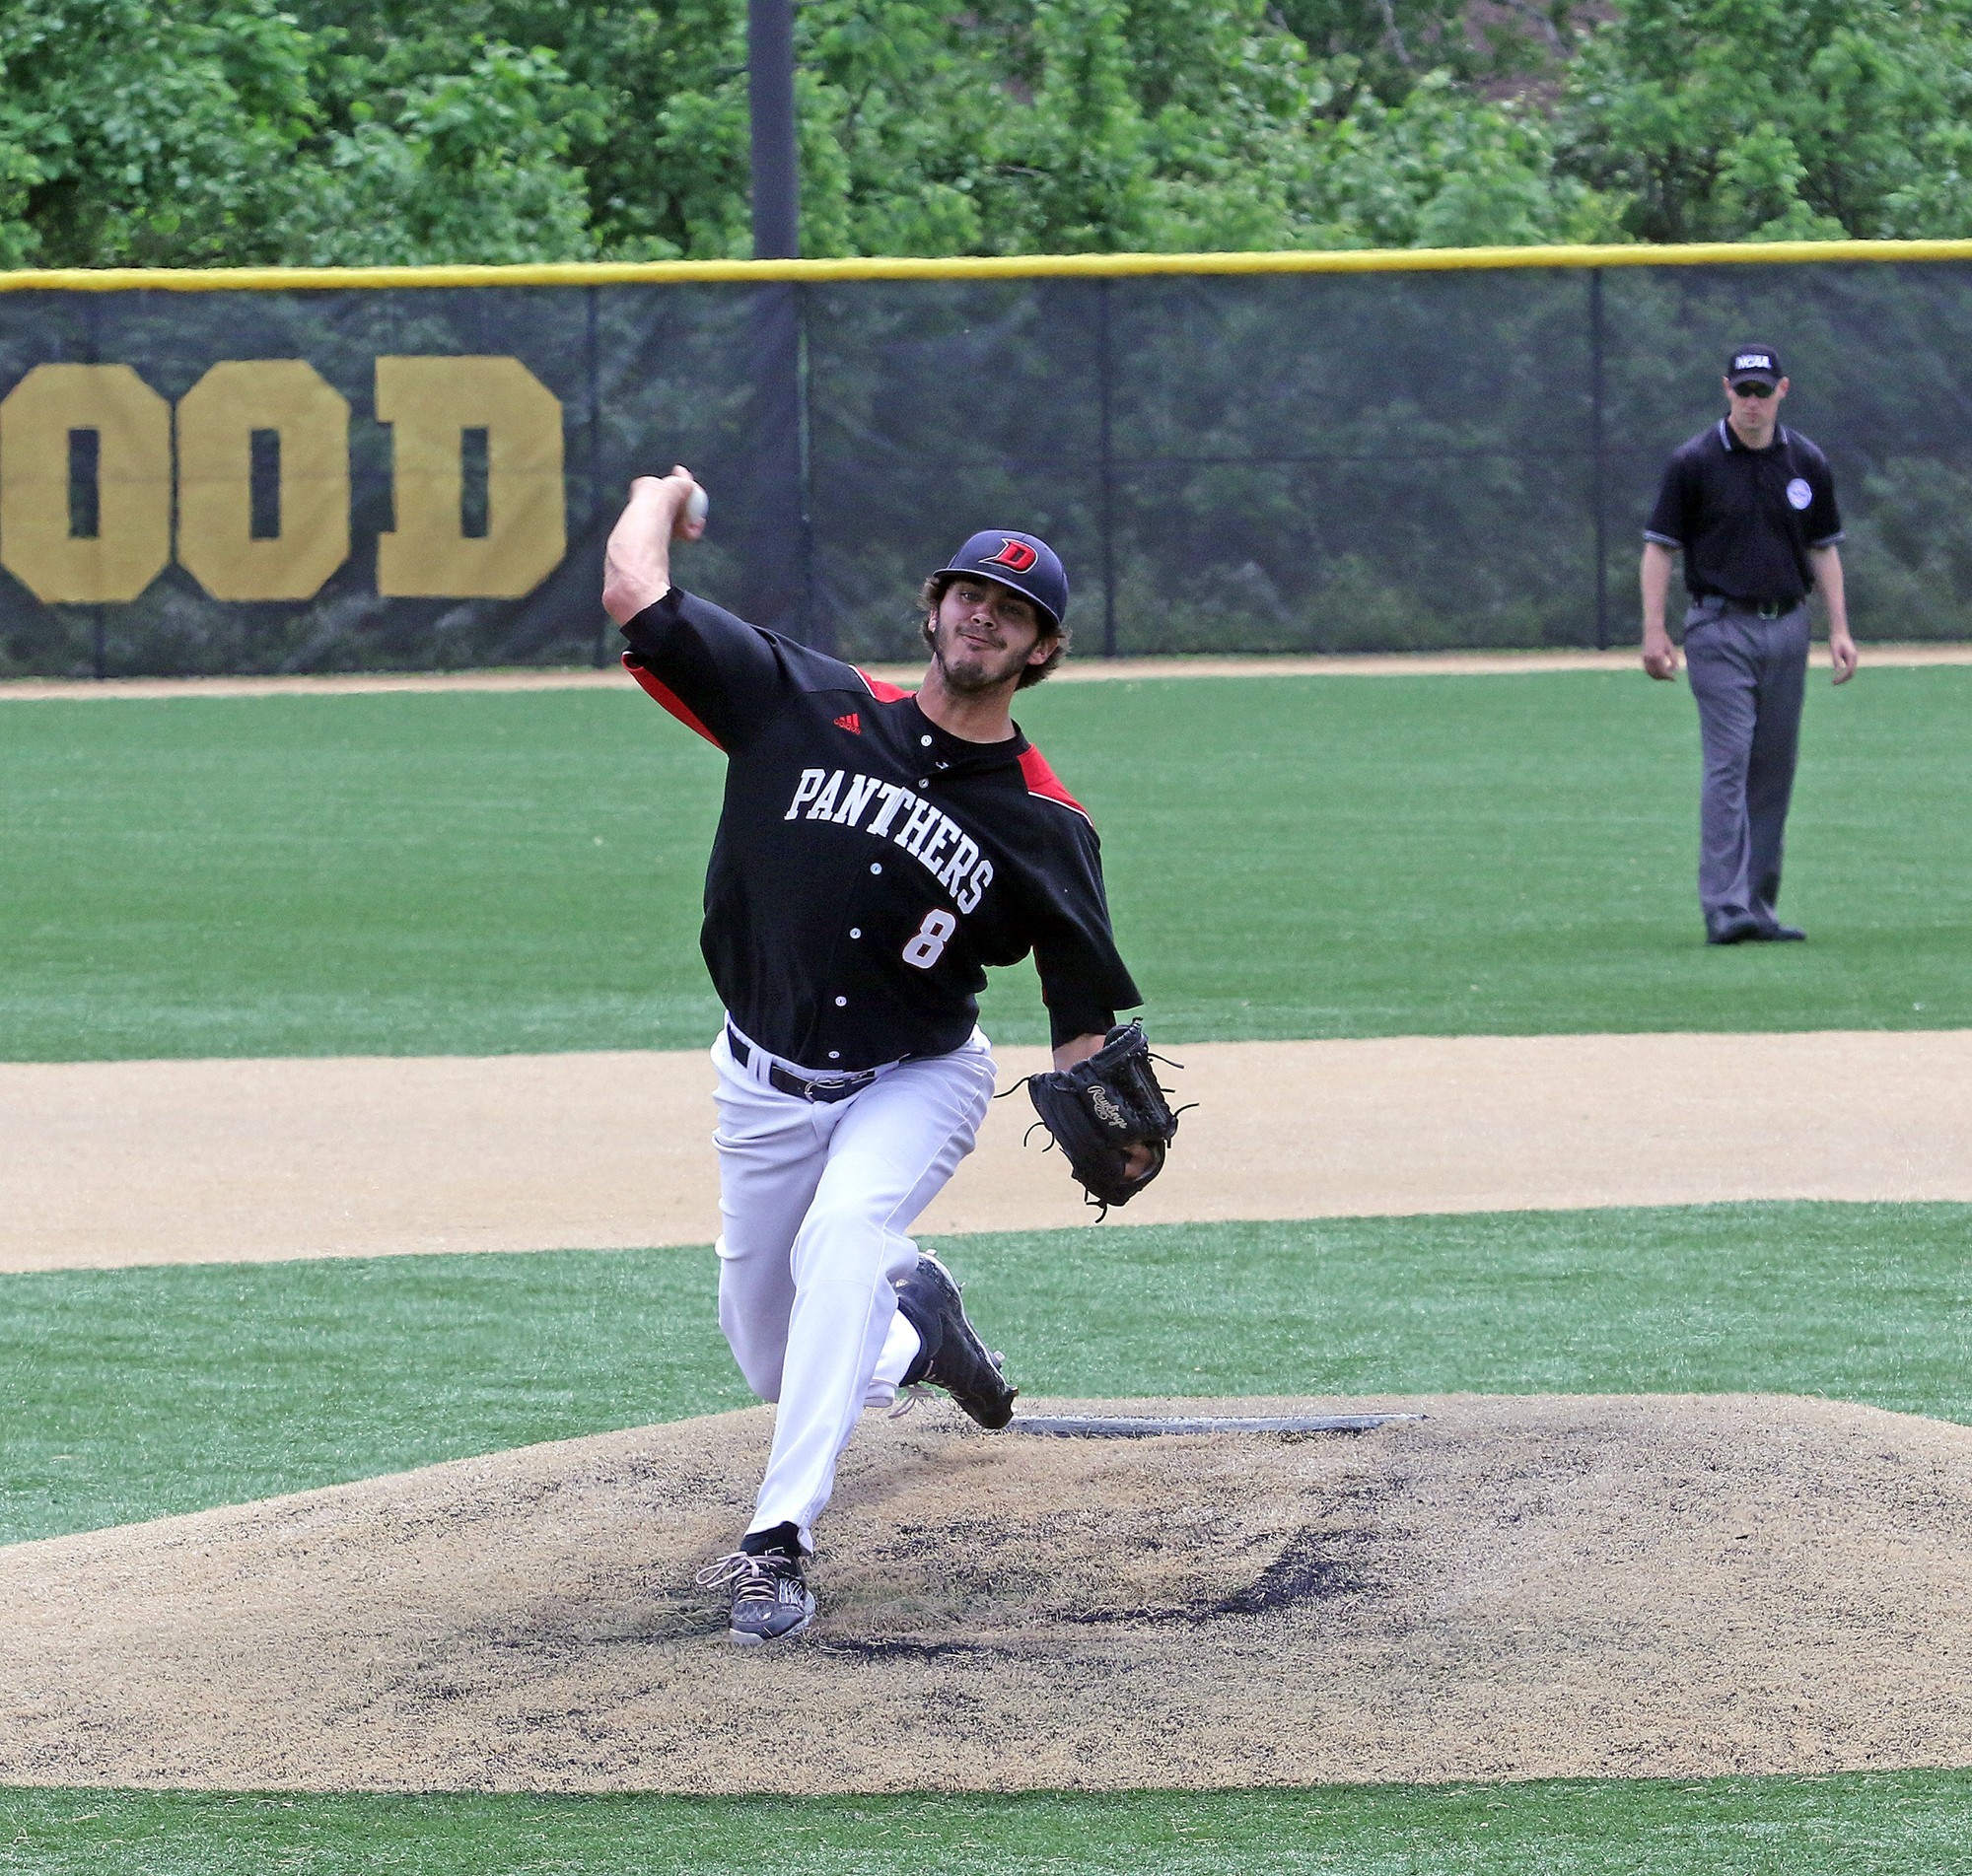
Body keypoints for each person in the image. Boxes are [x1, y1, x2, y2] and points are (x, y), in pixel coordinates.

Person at [599, 468, 1145, 1645]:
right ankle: (920, 1330)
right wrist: (663, 490)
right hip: (758, 1081)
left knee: (842, 1241)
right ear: (931, 606)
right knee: (775, 1357)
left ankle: (776, 1543)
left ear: (1041, 648)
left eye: (1011, 609)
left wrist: (1120, 1114)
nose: (981, 616)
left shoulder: (1044, 824)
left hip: (916, 1077)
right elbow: (635, 592)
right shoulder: (802, 700)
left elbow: (1085, 1018)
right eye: (966, 594)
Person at [1640, 345, 1859, 945]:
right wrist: (1654, 630)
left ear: (1782, 390)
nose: (1752, 402)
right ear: (1726, 390)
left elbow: (1824, 547)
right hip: (1718, 627)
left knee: (1773, 771)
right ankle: (1725, 906)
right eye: (1743, 391)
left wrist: (1839, 628)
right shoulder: (1695, 461)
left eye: (1762, 391)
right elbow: (1660, 547)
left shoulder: (1806, 460)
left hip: (1788, 626)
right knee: (1729, 764)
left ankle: (1758, 906)